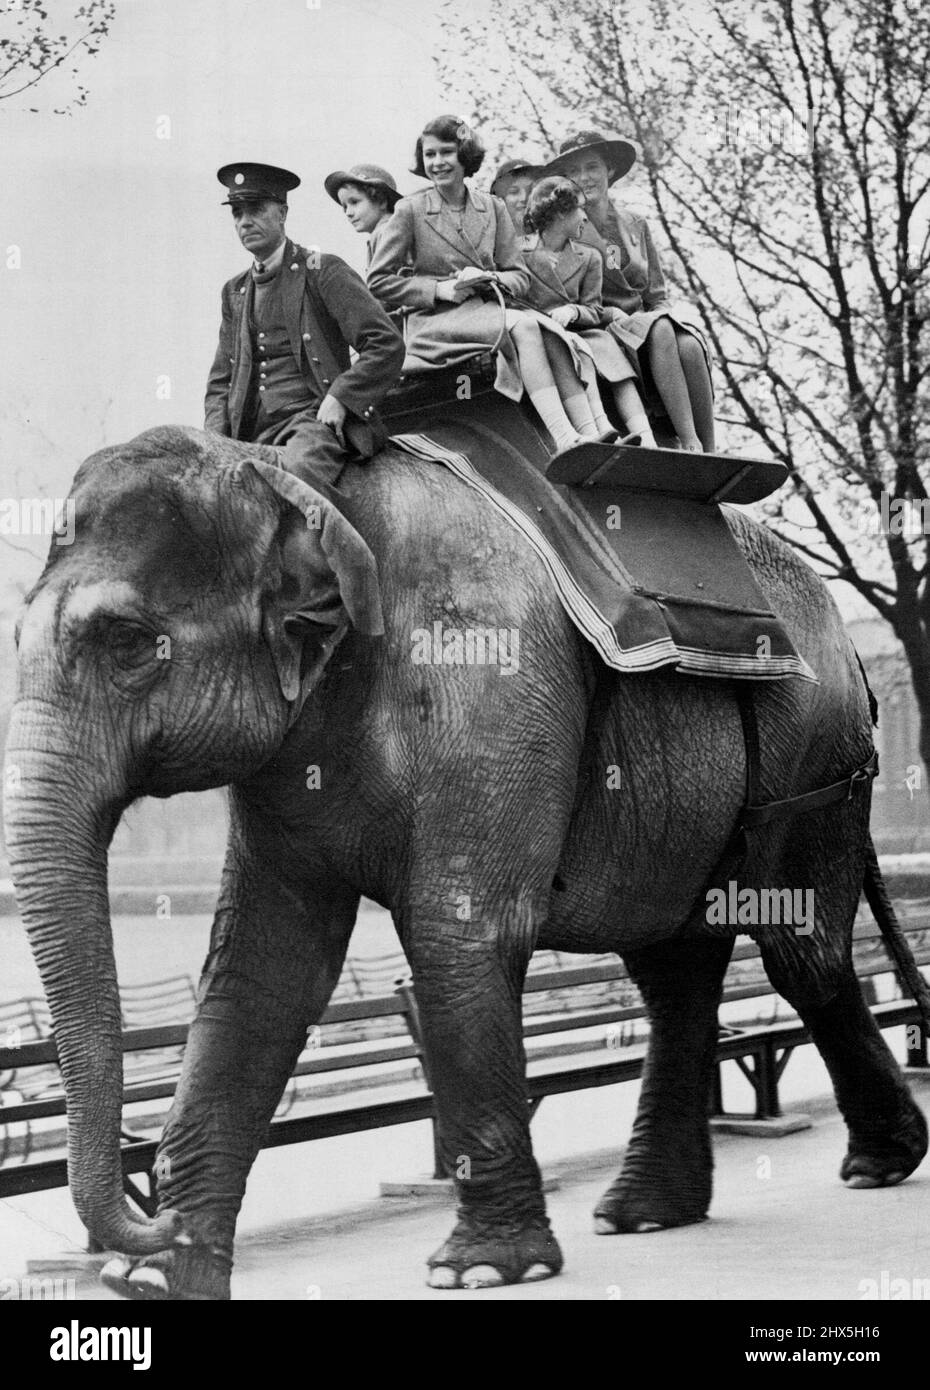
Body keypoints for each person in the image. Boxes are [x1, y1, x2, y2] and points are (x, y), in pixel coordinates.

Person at [366, 115, 607, 453]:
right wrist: (440, 290)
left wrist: (491, 277)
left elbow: (519, 275)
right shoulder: (411, 210)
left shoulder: (492, 207)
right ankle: (564, 437)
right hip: (435, 321)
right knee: (524, 326)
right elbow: (378, 281)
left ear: (465, 155)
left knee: (549, 329)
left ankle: (593, 433)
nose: (437, 163)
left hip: (485, 309)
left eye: (446, 153)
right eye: (430, 155)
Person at [204, 161, 405, 489]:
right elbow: (220, 381)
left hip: (312, 425)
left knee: (292, 489)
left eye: (255, 209)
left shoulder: (323, 271)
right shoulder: (234, 291)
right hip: (249, 430)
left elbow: (385, 343)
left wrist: (341, 397)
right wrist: (214, 443)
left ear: (282, 214)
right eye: (237, 213)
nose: (244, 222)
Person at [540, 130, 715, 453]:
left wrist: (655, 316)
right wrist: (622, 316)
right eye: (574, 172)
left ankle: (710, 448)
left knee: (689, 342)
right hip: (601, 325)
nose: (584, 178)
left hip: (644, 325)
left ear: (608, 170)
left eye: (591, 167)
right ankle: (689, 441)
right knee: (661, 328)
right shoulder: (565, 228)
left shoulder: (635, 223)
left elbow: (657, 293)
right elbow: (566, 296)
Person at [521, 176, 656, 447]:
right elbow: (514, 297)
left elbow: (594, 309)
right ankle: (594, 429)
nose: (585, 217)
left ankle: (647, 439)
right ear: (560, 214)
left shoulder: (590, 256)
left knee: (607, 350)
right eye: (579, 209)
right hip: (543, 333)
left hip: (582, 329)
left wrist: (573, 311)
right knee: (567, 345)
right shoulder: (519, 252)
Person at [323, 162, 402, 265]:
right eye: (345, 207)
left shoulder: (387, 233)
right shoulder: (384, 233)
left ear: (382, 201)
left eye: (354, 202)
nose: (348, 213)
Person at [489, 157, 540, 235]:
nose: (524, 198)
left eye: (530, 191)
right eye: (514, 192)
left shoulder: (551, 237)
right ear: (500, 199)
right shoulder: (489, 239)